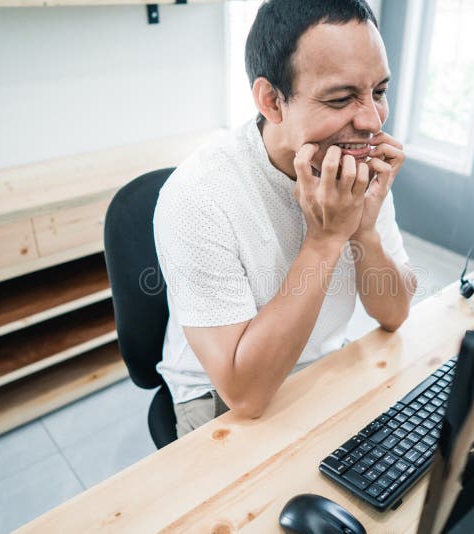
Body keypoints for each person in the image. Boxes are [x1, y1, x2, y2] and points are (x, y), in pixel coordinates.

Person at [154, 0, 417, 437]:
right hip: (221, 392)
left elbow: (395, 313)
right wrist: (326, 239)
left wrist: (364, 232)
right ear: (272, 101)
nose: (372, 120)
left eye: (380, 91)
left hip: (321, 361)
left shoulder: (352, 160)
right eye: (341, 98)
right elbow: (246, 394)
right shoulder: (197, 198)